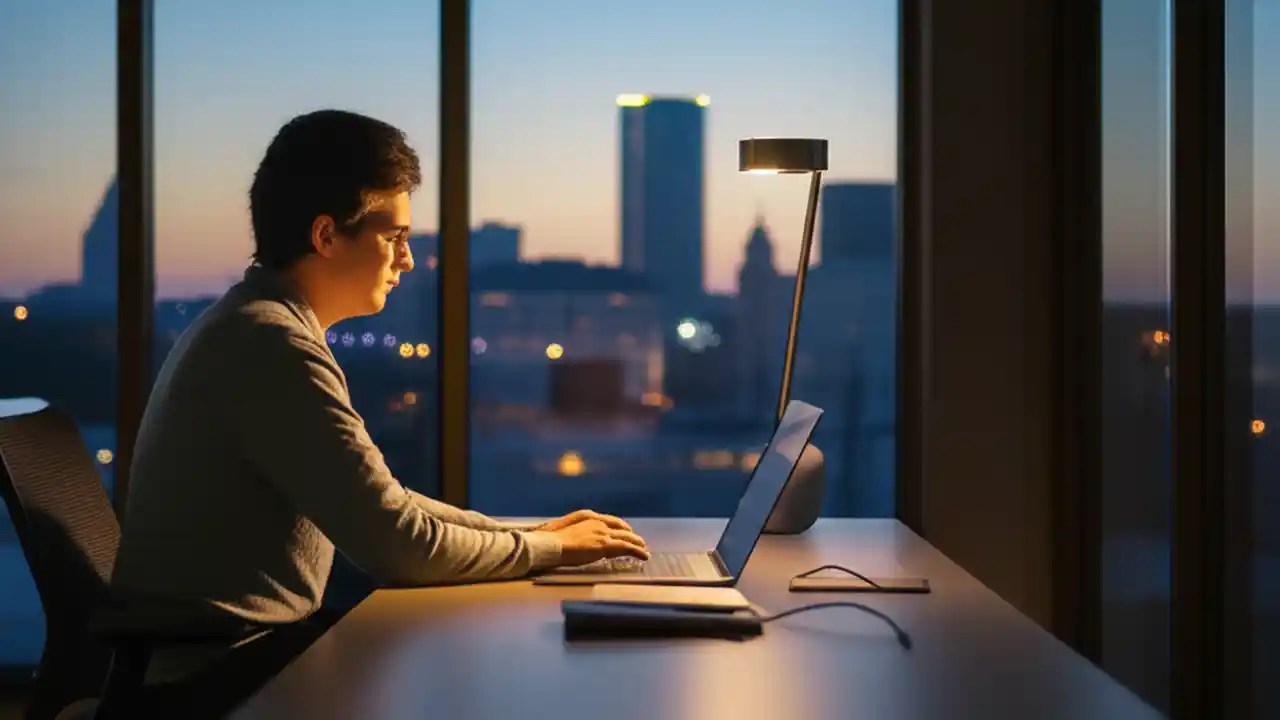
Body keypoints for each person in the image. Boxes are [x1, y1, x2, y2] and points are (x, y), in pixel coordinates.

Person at [108, 109, 647, 710]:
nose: (408, 261)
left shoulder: (257, 324)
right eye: (394, 238)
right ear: (326, 236)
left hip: (246, 656)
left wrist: (529, 534)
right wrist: (549, 552)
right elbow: (398, 544)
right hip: (215, 683)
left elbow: (387, 505)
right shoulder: (271, 345)